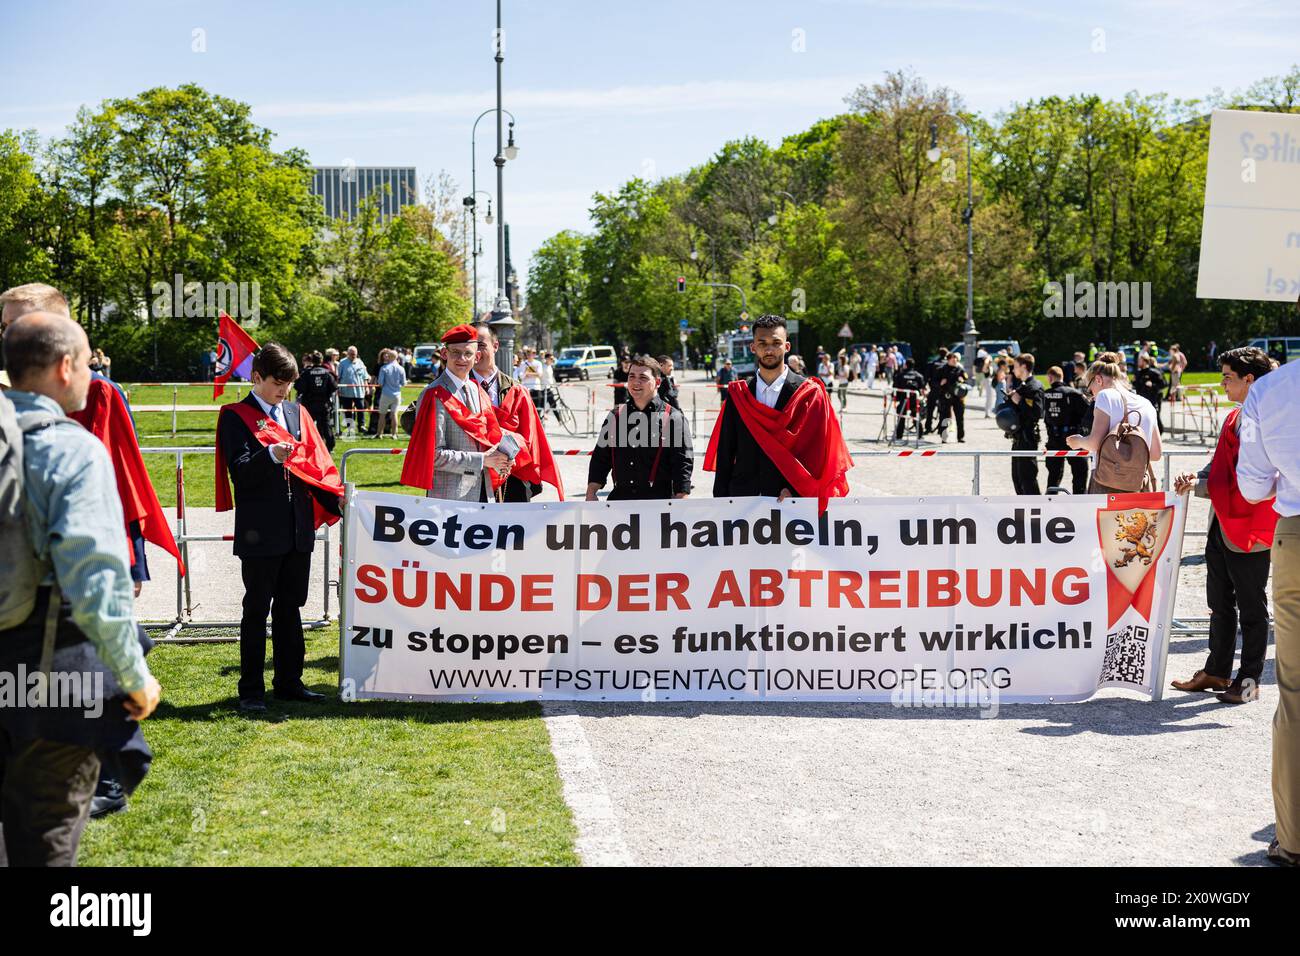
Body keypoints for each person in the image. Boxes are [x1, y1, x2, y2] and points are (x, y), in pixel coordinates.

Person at [1, 312, 162, 865]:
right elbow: (96, 582)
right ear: (65, 365)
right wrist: (134, 675)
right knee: (45, 839)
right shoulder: (71, 449)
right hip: (53, 679)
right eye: (89, 360)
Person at [215, 343, 343, 714]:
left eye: (288, 383)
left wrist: (335, 498)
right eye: (277, 382)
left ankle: (290, 682)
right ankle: (251, 690)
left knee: (292, 608)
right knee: (256, 610)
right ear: (256, 378)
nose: (283, 390)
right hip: (260, 529)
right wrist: (270, 455)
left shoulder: (296, 411)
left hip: (298, 526)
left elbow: (316, 466)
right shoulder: (235, 416)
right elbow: (239, 471)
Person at [1169, 348, 1276, 704]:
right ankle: (1216, 670)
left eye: (1228, 376)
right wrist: (1196, 476)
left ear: (1250, 379)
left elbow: (1252, 478)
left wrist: (1201, 485)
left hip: (1250, 526)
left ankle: (1248, 682)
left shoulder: (1270, 418)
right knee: (1218, 602)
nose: (1222, 383)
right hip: (1222, 520)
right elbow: (1218, 467)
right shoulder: (1234, 417)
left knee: (1252, 607)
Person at [1233, 330, 1300, 865]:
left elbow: (1253, 488)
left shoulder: (1270, 390)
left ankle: (1295, 839)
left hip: (1296, 532)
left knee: (1296, 695)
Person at [706, 314, 851, 507]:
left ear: (787, 346)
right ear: (753, 347)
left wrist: (796, 490)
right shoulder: (738, 394)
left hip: (791, 500)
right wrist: (721, 502)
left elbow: (819, 451)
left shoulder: (809, 393)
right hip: (742, 499)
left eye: (776, 343)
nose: (769, 349)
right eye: (762, 343)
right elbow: (725, 452)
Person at [400, 325, 518, 503]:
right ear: (444, 354)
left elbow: (485, 439)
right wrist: (483, 460)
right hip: (450, 498)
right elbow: (434, 456)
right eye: (455, 352)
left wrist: (501, 457)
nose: (462, 359)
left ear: (477, 356)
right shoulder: (433, 394)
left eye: (468, 353)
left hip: (484, 493)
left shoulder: (477, 389)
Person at [470, 325, 562, 501]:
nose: (476, 352)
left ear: (495, 346)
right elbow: (417, 418)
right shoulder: (455, 388)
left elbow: (529, 438)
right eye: (471, 346)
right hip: (471, 481)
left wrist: (506, 457)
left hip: (513, 479)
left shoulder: (517, 390)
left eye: (481, 345)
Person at [587, 355, 692, 500]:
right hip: (619, 503)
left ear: (657, 382)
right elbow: (600, 457)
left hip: (659, 504)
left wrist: (682, 494)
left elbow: (682, 462)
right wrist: (591, 491)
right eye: (632, 376)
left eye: (643, 377)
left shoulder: (673, 418)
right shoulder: (615, 416)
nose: (636, 382)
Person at [1067, 356, 1162, 493]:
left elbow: (1094, 443)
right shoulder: (1146, 403)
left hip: (1108, 483)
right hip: (1137, 484)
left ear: (1098, 380)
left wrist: (1079, 441)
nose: (1092, 396)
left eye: (1090, 389)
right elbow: (1155, 454)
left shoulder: (1105, 396)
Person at [1042, 365, 1090, 493]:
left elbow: (1046, 418)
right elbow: (1088, 414)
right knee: (1080, 473)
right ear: (1061, 377)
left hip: (1053, 439)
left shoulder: (1046, 394)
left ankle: (1050, 501)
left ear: (1050, 377)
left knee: (1054, 475)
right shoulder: (1073, 393)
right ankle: (1079, 502)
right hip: (1073, 439)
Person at [1006, 353, 1044, 495]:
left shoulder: (1034, 386)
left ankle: (1037, 510)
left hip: (1027, 437)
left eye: (1015, 366)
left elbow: (1037, 412)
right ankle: (1022, 511)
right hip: (1018, 437)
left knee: (1027, 478)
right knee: (1017, 478)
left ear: (1023, 367)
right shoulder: (1023, 386)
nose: (1013, 370)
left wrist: (1019, 401)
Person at [295, 350, 338, 452]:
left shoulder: (307, 373)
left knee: (306, 426)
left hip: (310, 404)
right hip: (324, 404)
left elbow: (299, 387)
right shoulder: (327, 373)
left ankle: (305, 444)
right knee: (326, 425)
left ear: (312, 360)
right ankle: (330, 446)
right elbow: (334, 387)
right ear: (321, 360)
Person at [934, 351, 967, 444]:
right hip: (946, 396)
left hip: (958, 397)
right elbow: (934, 382)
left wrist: (962, 380)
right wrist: (940, 383)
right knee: (945, 417)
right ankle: (944, 437)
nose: (955, 361)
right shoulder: (941, 369)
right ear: (948, 360)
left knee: (960, 417)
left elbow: (966, 381)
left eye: (956, 359)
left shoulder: (960, 370)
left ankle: (960, 437)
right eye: (953, 359)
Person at [374, 348, 407, 439]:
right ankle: (394, 434)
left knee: (382, 415)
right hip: (397, 394)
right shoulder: (401, 368)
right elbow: (404, 383)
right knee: (394, 414)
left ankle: (379, 434)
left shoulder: (384, 368)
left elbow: (380, 383)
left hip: (385, 393)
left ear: (390, 357)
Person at [892, 358, 927, 441]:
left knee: (901, 417)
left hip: (904, 399)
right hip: (915, 400)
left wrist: (895, 398)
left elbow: (895, 387)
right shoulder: (919, 376)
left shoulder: (900, 375)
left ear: (906, 365)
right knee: (916, 416)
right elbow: (922, 388)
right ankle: (920, 434)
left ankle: (899, 435)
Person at [336, 346, 368, 435]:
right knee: (348, 410)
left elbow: (365, 376)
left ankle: (361, 426)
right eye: (351, 354)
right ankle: (350, 426)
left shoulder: (360, 362)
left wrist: (366, 387)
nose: (353, 355)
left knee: (361, 409)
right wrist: (337, 388)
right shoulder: (342, 363)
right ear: (348, 353)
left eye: (354, 354)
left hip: (359, 391)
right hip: (346, 392)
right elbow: (338, 377)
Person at [1133, 353, 1166, 434]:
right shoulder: (1138, 373)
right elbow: (1136, 385)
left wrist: (1153, 385)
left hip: (1153, 399)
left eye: (1140, 361)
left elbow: (1164, 384)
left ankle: (1159, 433)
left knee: (1155, 416)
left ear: (1145, 362)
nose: (1138, 363)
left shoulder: (1154, 372)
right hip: (1140, 399)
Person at [923, 347, 949, 434]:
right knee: (943, 410)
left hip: (934, 389)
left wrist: (924, 387)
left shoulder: (933, 363)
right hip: (944, 390)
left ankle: (928, 427)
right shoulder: (947, 365)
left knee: (930, 409)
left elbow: (926, 377)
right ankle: (941, 428)